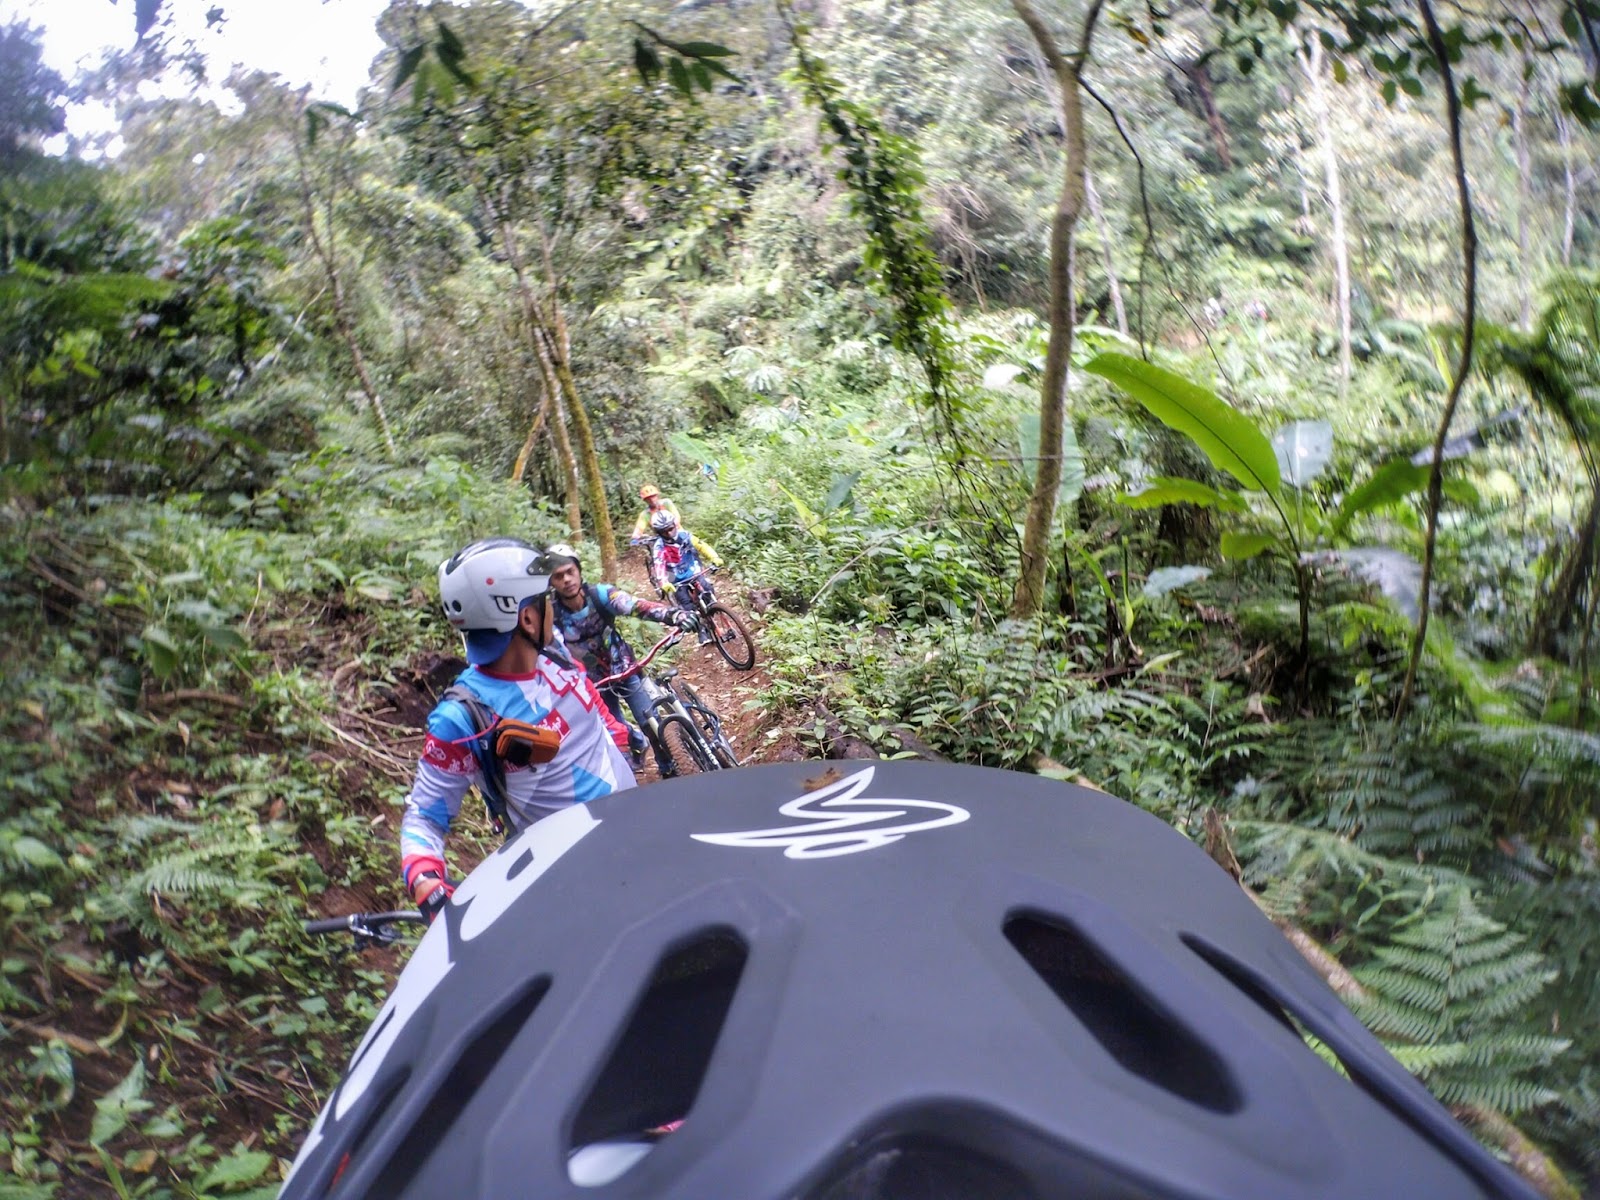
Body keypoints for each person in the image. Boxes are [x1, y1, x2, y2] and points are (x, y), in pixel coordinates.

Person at [399, 537, 636, 923]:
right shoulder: (462, 716)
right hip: (573, 887)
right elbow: (424, 818)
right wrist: (428, 885)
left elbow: (592, 708)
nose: (552, 607)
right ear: (526, 617)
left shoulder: (555, 655)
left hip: (637, 831)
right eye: (545, 598)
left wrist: (622, 740)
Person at [544, 541, 699, 777]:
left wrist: (673, 614)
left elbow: (636, 606)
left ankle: (668, 765)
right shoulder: (552, 616)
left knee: (651, 721)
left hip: (624, 669)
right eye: (558, 576)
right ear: (551, 583)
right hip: (594, 685)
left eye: (569, 572)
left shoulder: (600, 595)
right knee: (617, 735)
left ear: (578, 571)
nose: (566, 580)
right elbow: (555, 651)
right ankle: (637, 742)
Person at [646, 508, 723, 645]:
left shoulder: (686, 536)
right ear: (659, 533)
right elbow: (658, 564)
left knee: (707, 589)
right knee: (687, 606)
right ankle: (701, 631)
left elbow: (702, 546)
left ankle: (711, 614)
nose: (669, 533)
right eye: (664, 531)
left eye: (671, 528)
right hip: (675, 578)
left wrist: (714, 557)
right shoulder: (659, 546)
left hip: (693, 570)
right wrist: (664, 582)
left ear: (675, 525)